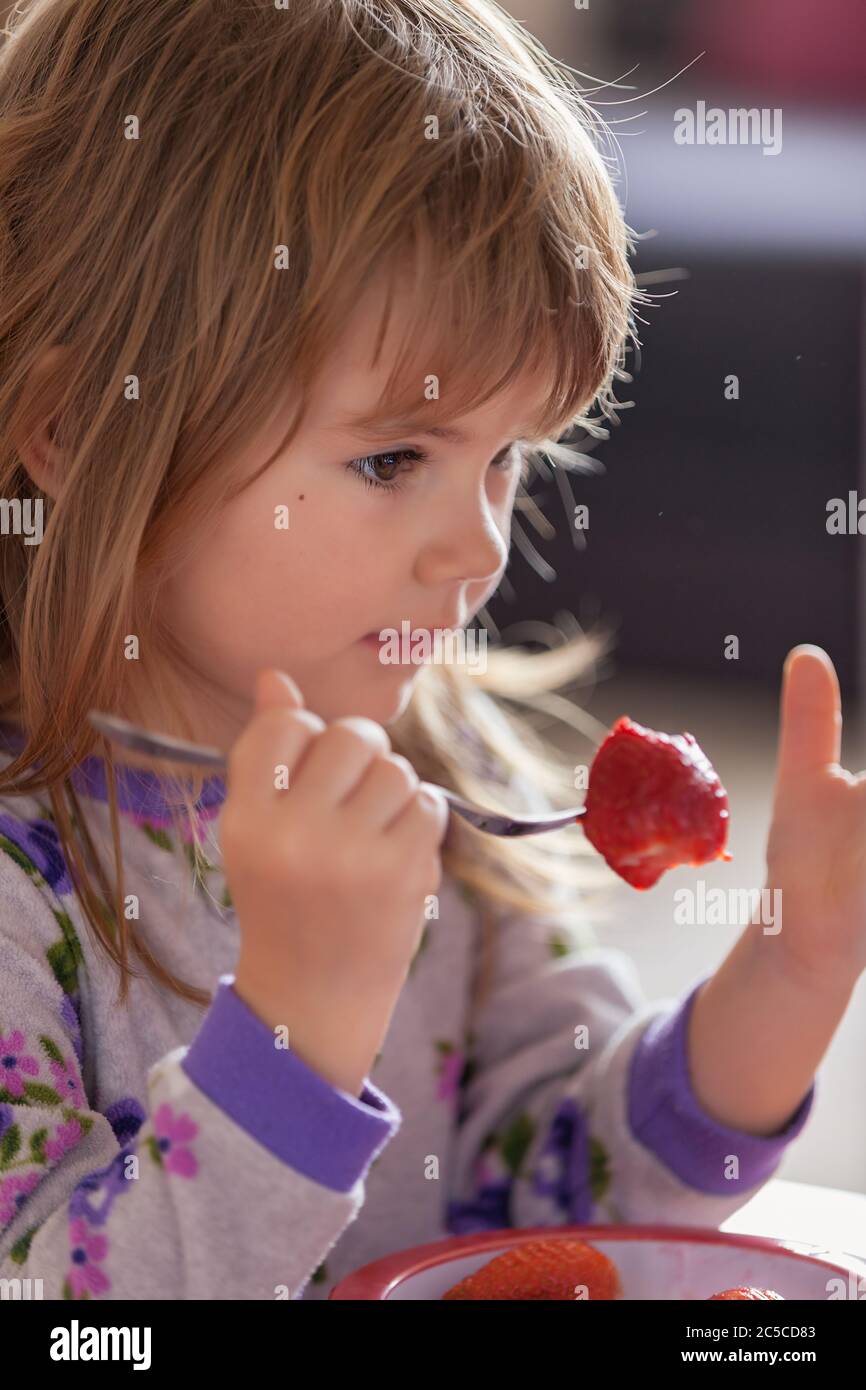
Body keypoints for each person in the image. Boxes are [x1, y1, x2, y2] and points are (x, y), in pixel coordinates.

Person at [0, 0, 861, 1301]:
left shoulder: (445, 777)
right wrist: (293, 1031)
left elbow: (557, 1204)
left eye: (505, 456)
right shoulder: (28, 894)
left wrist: (784, 978)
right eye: (392, 456)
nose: (473, 549)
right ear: (74, 429)